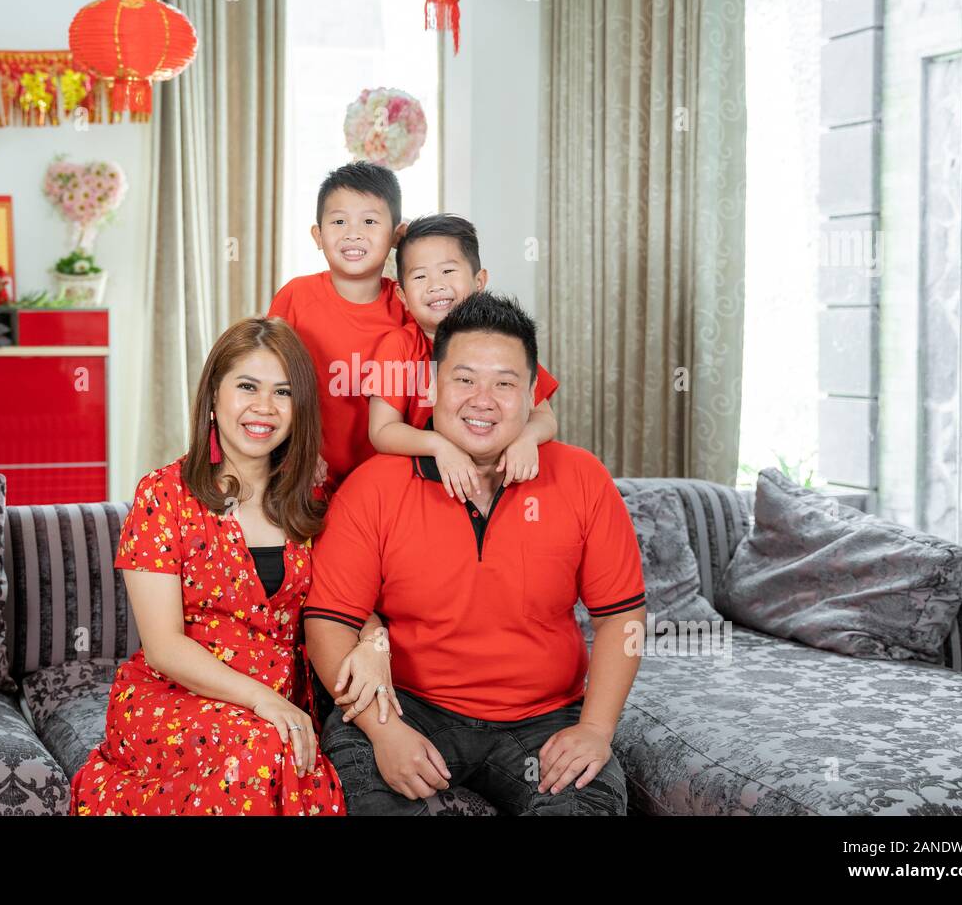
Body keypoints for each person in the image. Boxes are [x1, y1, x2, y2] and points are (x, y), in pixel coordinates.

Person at [304, 292, 646, 815]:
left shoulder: (582, 479)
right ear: (432, 385)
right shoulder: (373, 486)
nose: (482, 399)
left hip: (544, 719)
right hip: (408, 706)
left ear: (533, 393)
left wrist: (596, 730)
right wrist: (384, 730)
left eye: (504, 383)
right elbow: (329, 623)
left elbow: (622, 618)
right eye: (464, 379)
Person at [69, 317, 390, 815]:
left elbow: (342, 603)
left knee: (276, 747)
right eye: (247, 386)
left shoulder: (316, 500)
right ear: (214, 398)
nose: (264, 407)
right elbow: (164, 646)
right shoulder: (163, 494)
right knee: (263, 749)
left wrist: (375, 643)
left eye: (282, 392)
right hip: (176, 701)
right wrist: (265, 702)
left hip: (280, 707)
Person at [366, 213, 560, 501]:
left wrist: (527, 437)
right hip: (424, 482)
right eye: (420, 276)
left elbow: (545, 418)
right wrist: (439, 446)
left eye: (447, 271)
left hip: (494, 479)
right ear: (402, 296)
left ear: (479, 280)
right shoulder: (397, 347)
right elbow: (382, 431)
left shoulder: (501, 342)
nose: (435, 285)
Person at [266, 161, 407, 494]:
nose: (353, 233)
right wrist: (293, 448)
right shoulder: (297, 296)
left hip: (389, 482)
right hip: (308, 474)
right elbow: (267, 379)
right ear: (318, 235)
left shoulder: (408, 302)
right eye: (339, 221)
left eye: (370, 221)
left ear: (395, 235)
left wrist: (412, 239)